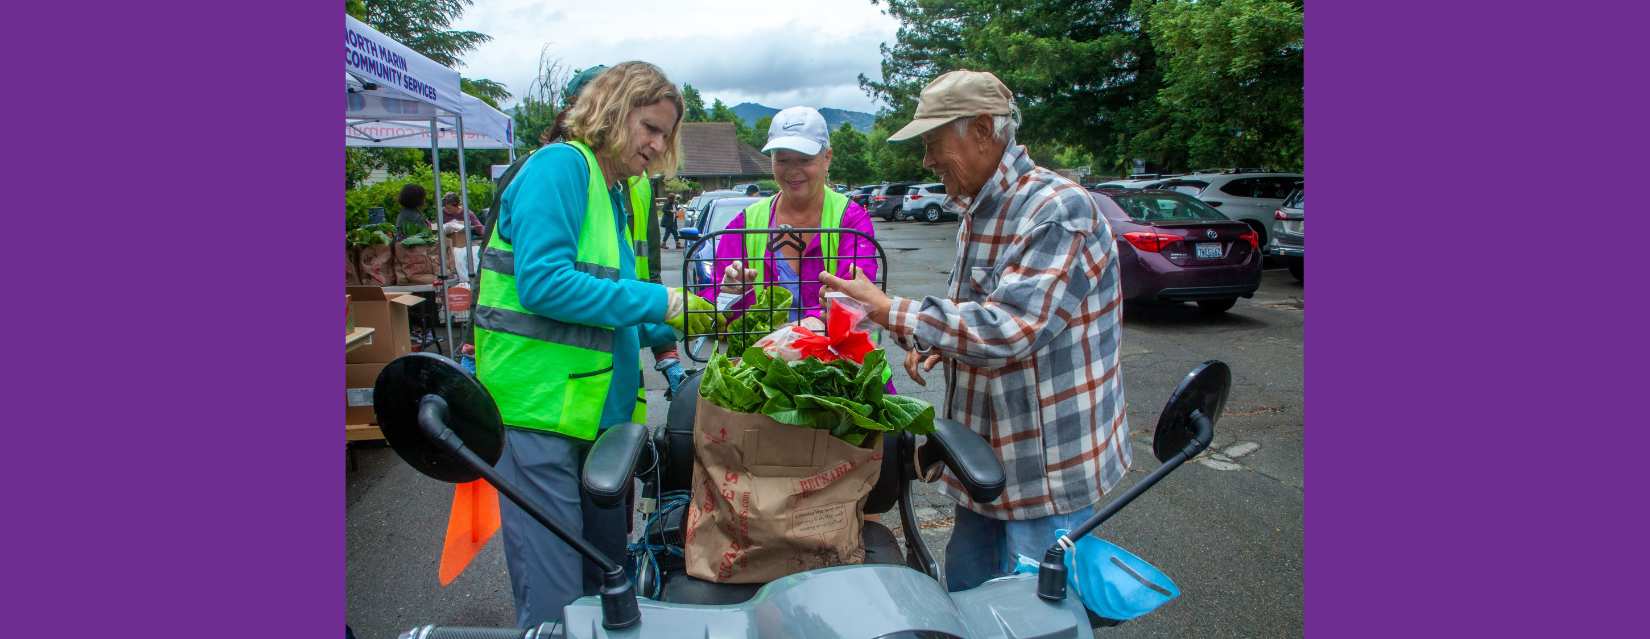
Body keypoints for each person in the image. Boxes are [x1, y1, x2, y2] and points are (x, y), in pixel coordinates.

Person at [818, 70, 1130, 593]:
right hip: (984, 460)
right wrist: (936, 343)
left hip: (1043, 471)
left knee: (1035, 619)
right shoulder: (978, 208)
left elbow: (1012, 327)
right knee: (967, 594)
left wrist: (891, 309)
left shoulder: (1056, 209)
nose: (927, 161)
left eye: (935, 144)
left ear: (984, 130)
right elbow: (980, 307)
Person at [472, 61, 720, 628]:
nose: (658, 146)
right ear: (612, 110)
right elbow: (544, 283)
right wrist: (664, 303)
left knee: (603, 586)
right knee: (558, 602)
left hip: (591, 416)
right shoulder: (560, 167)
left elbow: (610, 298)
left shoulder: (613, 189)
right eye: (650, 128)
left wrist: (687, 320)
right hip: (539, 413)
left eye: (666, 135)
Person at [703, 106, 878, 331]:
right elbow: (713, 305)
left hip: (839, 360)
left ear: (827, 158)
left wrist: (810, 324)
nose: (792, 171)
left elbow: (859, 294)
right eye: (782, 159)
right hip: (765, 358)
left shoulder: (851, 220)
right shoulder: (744, 223)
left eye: (805, 160)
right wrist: (727, 293)